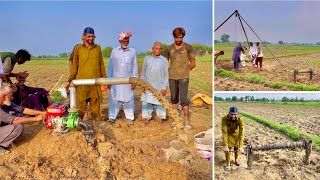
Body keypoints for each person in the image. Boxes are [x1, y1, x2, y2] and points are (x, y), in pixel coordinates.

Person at [66, 27, 106, 127]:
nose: (91, 39)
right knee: (80, 105)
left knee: (95, 105)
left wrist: (104, 79)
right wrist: (69, 80)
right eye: (89, 36)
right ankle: (78, 125)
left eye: (92, 36)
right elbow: (74, 65)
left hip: (95, 83)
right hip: (81, 83)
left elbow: (101, 64)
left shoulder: (98, 48)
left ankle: (94, 125)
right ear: (83, 36)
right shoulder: (78, 48)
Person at [164, 27, 196, 130]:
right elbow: (164, 63)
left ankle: (186, 121)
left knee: (184, 99)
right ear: (173, 37)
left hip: (184, 78)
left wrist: (185, 71)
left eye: (180, 37)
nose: (178, 40)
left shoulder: (188, 48)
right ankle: (176, 120)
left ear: (183, 37)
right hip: (172, 77)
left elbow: (193, 63)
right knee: (174, 99)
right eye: (177, 38)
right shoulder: (169, 49)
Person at [0, 86, 47, 155]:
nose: (12, 98)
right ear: (4, 97)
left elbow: (23, 110)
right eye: (11, 96)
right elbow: (15, 120)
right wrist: (35, 119)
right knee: (18, 126)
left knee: (19, 115)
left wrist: (43, 112)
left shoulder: (4, 102)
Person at [107, 32, 138, 125]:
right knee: (114, 98)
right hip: (115, 80)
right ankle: (112, 117)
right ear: (120, 40)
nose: (126, 41)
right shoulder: (114, 51)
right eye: (125, 39)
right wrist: (109, 79)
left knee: (129, 98)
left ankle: (129, 117)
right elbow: (110, 66)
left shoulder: (132, 51)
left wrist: (134, 80)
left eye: (128, 39)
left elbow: (135, 67)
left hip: (128, 80)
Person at [140, 42, 168, 125]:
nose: (158, 50)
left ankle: (161, 118)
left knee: (160, 102)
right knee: (146, 100)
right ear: (152, 49)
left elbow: (166, 75)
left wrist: (164, 87)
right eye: (156, 48)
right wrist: (142, 84)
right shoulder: (147, 59)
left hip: (159, 86)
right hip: (148, 85)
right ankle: (146, 118)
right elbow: (143, 73)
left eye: (160, 49)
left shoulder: (164, 60)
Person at [221, 106, 244, 171]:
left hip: (236, 135)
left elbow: (241, 133)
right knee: (228, 149)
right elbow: (224, 132)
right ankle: (228, 163)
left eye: (235, 114)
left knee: (237, 148)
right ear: (229, 113)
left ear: (238, 114)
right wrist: (225, 145)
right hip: (228, 134)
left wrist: (241, 146)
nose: (233, 116)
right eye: (231, 114)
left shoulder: (240, 120)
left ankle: (236, 160)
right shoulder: (224, 118)